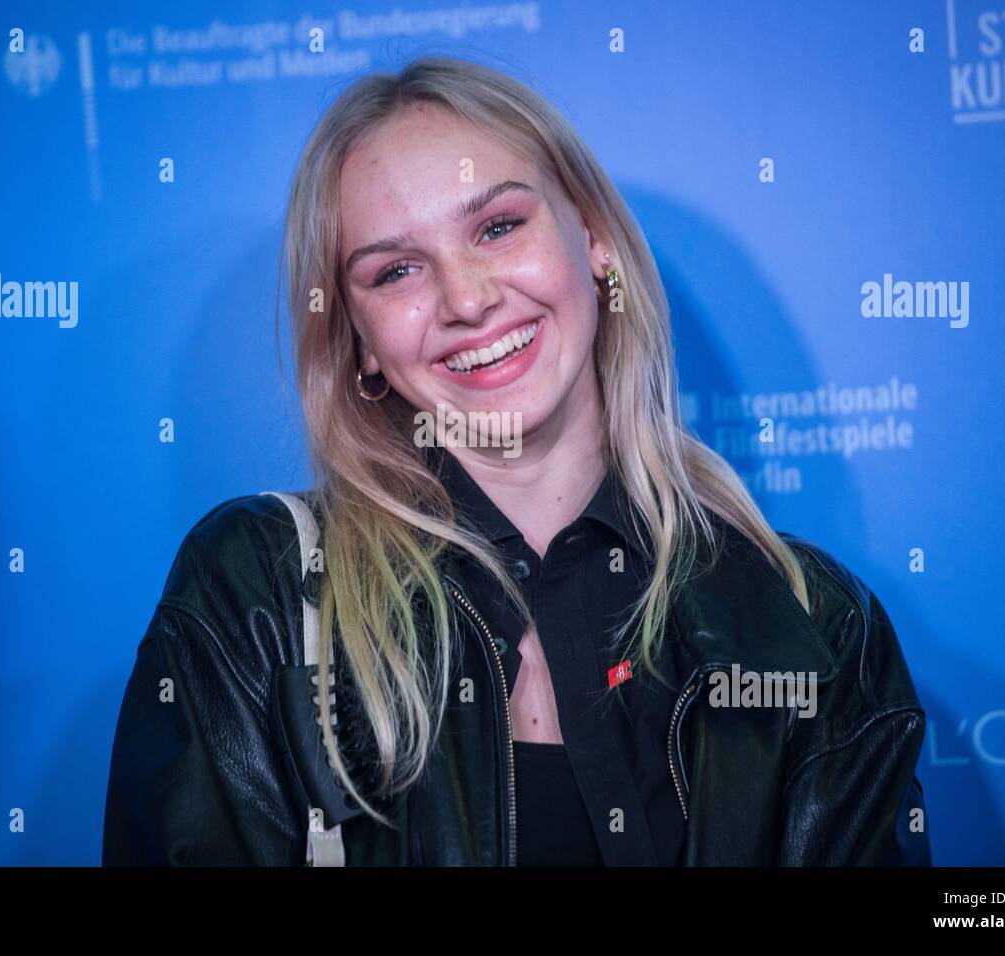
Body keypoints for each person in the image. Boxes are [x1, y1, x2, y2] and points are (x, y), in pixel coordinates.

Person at [102, 55, 932, 866]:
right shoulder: (254, 595)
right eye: (396, 271)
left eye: (498, 226)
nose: (467, 299)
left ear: (596, 240)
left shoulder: (814, 623)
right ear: (359, 344)